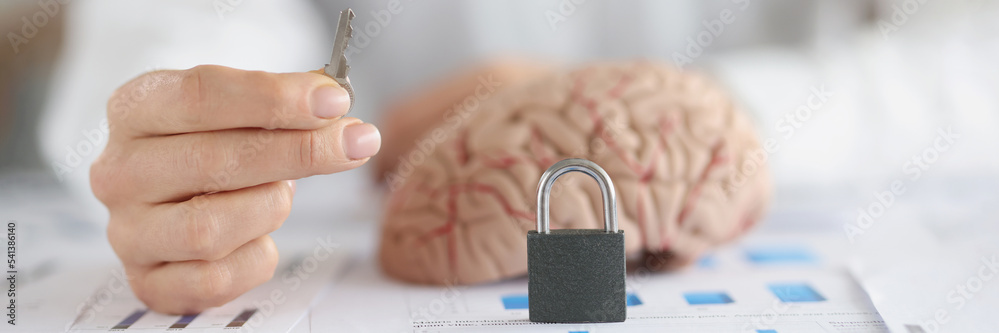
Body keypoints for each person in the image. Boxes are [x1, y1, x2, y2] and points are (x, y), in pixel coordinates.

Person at [40, 0, 835, 314]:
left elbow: (964, 52)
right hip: (369, 197)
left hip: (789, 167)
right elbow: (178, 25)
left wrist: (729, 125)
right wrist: (187, 122)